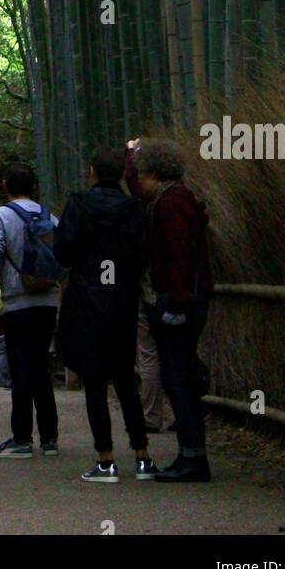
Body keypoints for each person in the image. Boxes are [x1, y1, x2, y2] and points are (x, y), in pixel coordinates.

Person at [54, 146, 159, 484]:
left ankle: (106, 459)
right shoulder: (134, 210)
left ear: (92, 171)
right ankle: (142, 457)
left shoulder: (78, 206)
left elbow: (63, 252)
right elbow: (144, 254)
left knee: (95, 381)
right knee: (125, 378)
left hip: (87, 299)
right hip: (122, 300)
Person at [133, 138, 214, 483]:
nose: (138, 182)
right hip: (177, 299)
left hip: (179, 300)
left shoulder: (172, 204)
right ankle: (190, 452)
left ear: (153, 172)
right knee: (178, 376)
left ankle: (194, 457)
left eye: (141, 174)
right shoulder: (169, 199)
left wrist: (178, 301)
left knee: (177, 378)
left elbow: (181, 255)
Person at [0, 162, 60, 458]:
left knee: (20, 367)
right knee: (41, 366)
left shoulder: (2, 215)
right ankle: (50, 438)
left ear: (5, 185)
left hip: (17, 301)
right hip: (47, 300)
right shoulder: (49, 216)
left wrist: (5, 273)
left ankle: (22, 438)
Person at [124, 140, 170, 433]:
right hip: (177, 291)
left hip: (152, 289)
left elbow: (130, 179)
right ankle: (182, 414)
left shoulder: (148, 205)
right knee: (175, 354)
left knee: (150, 355)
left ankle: (152, 416)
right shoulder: (182, 197)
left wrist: (130, 152)